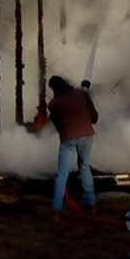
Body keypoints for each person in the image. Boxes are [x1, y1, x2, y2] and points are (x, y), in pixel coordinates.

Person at [31, 75, 98, 217]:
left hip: (68, 139)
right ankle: (91, 205)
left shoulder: (53, 104)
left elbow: (59, 128)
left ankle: (56, 211)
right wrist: (86, 95)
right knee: (84, 167)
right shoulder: (80, 94)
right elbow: (94, 118)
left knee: (62, 174)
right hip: (87, 136)